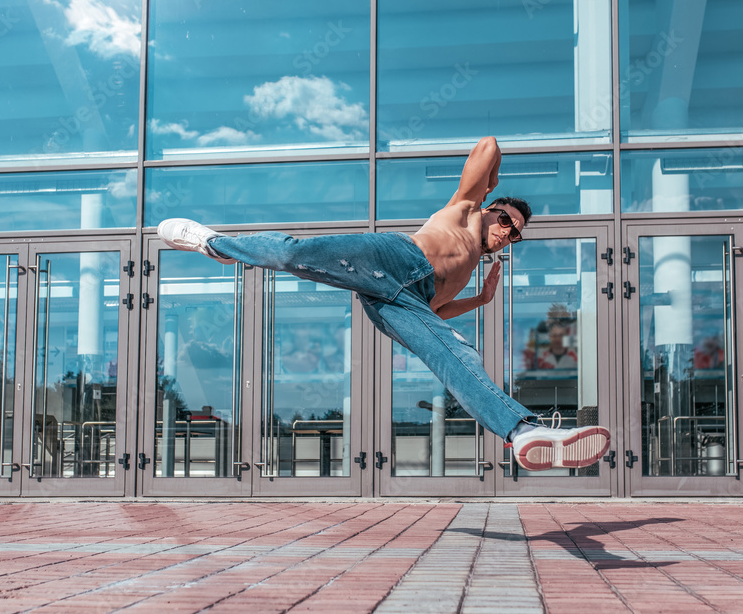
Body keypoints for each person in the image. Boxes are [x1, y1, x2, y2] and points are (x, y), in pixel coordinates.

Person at [158, 136, 610, 471]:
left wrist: (481, 298)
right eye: (508, 221)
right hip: (395, 257)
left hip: (404, 299)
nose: (509, 232)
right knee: (297, 255)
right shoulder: (465, 209)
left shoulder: (472, 268)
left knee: (456, 354)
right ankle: (214, 243)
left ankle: (523, 431)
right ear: (492, 208)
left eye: (516, 233)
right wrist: (488, 191)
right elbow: (488, 146)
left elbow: (433, 314)